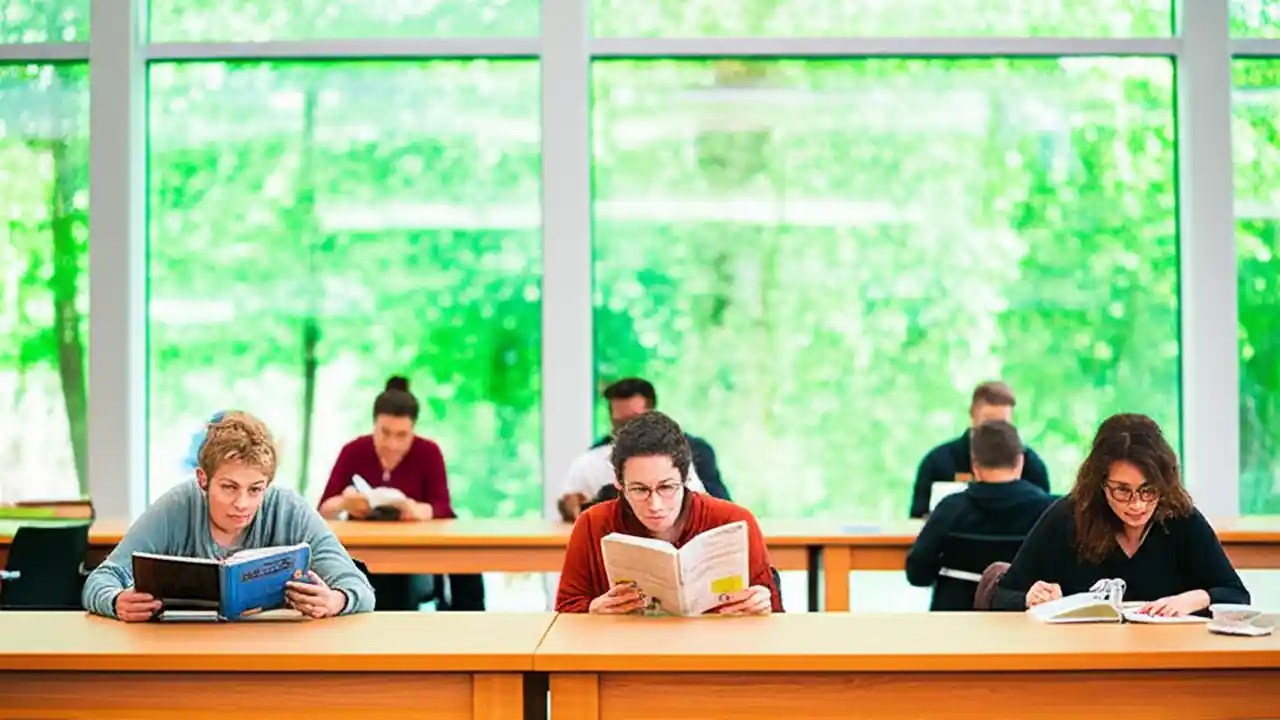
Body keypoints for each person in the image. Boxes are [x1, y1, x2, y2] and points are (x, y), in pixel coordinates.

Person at [83, 411, 374, 621]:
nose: (242, 503)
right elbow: (102, 579)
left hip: (273, 657)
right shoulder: (177, 507)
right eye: (228, 487)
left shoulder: (289, 509)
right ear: (203, 480)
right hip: (183, 656)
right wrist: (115, 601)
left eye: (255, 489)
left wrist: (336, 600)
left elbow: (359, 588)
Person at [993, 413, 1250, 615]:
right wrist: (1030, 597)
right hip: (1082, 663)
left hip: (1166, 665)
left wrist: (1196, 598)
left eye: (1149, 490)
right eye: (1122, 491)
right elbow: (1002, 594)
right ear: (1101, 483)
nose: (1137, 504)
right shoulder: (1068, 516)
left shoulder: (1181, 518)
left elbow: (1237, 594)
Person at [555, 411, 781, 615]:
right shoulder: (593, 524)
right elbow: (565, 611)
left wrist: (762, 605)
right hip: (626, 654)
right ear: (619, 484)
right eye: (639, 489)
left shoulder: (733, 521)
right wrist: (591, 609)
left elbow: (775, 615)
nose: (655, 504)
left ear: (686, 478)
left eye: (666, 487)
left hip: (712, 654)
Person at [319, 376, 484, 611]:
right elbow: (324, 507)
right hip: (364, 551)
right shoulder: (354, 451)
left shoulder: (428, 452)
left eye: (402, 435)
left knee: (467, 559)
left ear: (413, 430)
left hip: (414, 551)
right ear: (374, 425)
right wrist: (345, 503)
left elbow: (442, 507)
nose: (392, 444)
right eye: (384, 433)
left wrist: (415, 509)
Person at [905, 420, 1056, 602]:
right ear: (1020, 461)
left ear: (975, 466)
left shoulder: (950, 508)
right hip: (1020, 619)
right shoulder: (1049, 510)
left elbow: (917, 575)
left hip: (955, 620)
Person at [557, 377, 730, 521]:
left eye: (666, 487)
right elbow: (570, 506)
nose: (627, 431)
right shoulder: (593, 459)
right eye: (620, 424)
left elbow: (713, 509)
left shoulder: (684, 453)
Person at [910, 381, 1050, 518]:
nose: (995, 431)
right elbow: (917, 521)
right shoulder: (937, 462)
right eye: (988, 422)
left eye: (1002, 423)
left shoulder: (1032, 465)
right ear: (972, 416)